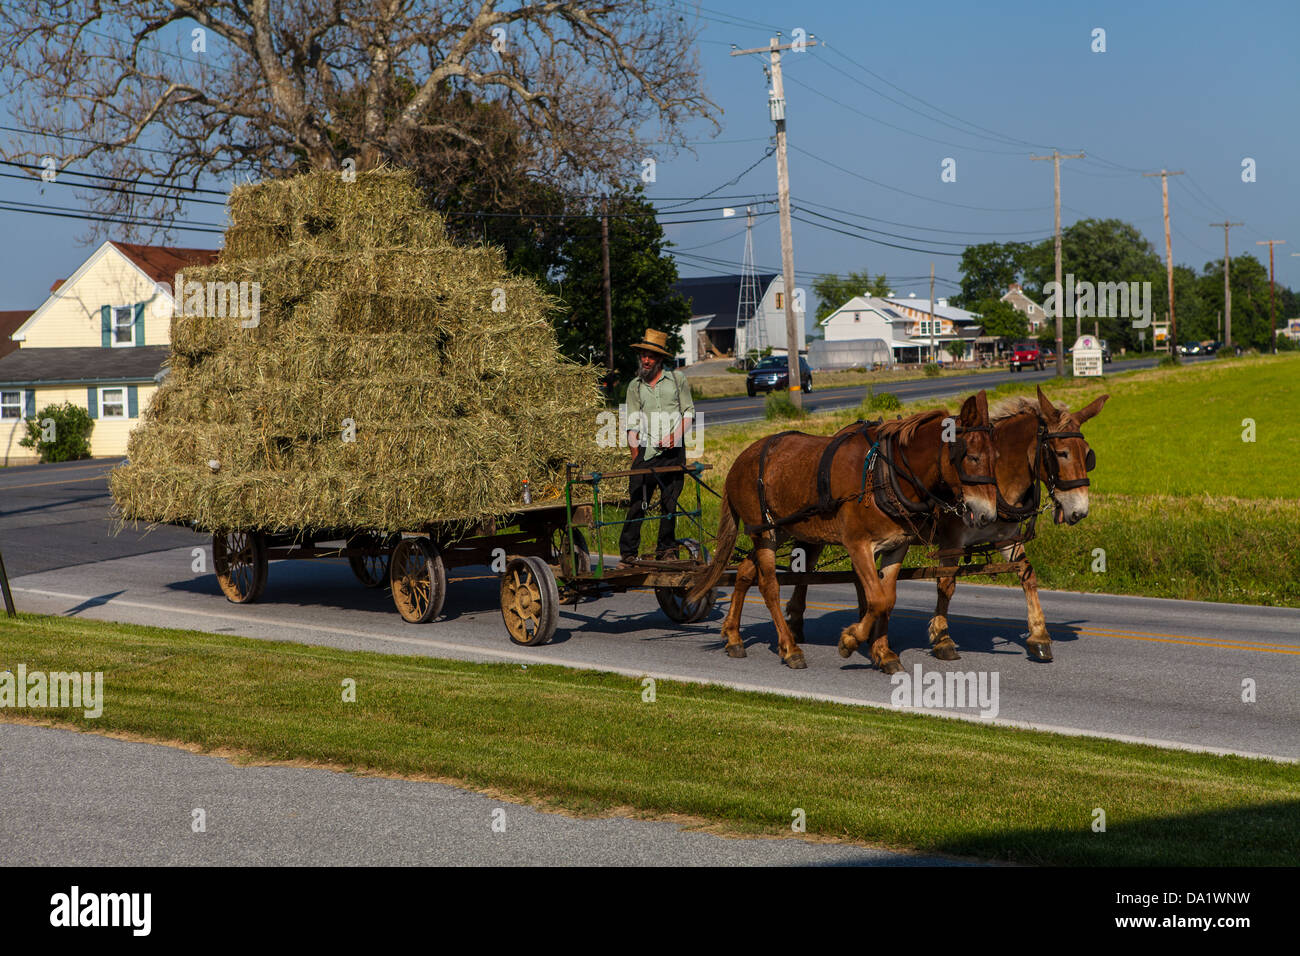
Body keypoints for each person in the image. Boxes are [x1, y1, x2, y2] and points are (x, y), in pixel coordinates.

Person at [619, 329, 695, 565]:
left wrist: (676, 436)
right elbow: (631, 424)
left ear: (660, 359)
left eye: (651, 356)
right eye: (643, 355)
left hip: (674, 453)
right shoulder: (635, 386)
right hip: (647, 452)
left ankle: (666, 549)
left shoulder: (676, 380)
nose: (646, 359)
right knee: (637, 504)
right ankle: (628, 552)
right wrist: (635, 458)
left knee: (669, 504)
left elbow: (688, 412)